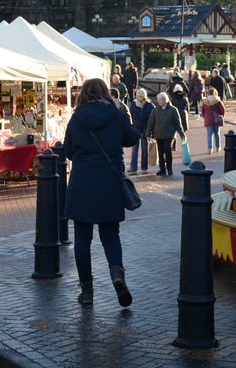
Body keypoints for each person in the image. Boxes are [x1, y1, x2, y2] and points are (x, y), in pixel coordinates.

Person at [63, 78, 139, 307]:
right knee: (110, 235)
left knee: (82, 240)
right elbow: (132, 138)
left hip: (82, 183)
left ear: (82, 94)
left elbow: (67, 150)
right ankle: (117, 274)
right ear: (105, 92)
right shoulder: (115, 115)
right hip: (109, 182)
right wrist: (120, 114)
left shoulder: (77, 117)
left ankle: (87, 291)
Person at [146, 92, 184, 177]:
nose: (159, 101)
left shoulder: (173, 110)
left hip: (169, 134)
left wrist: (181, 134)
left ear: (165, 100)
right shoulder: (155, 110)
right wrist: (148, 133)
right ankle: (162, 169)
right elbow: (151, 123)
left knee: (167, 149)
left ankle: (169, 168)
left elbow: (178, 123)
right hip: (158, 134)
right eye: (158, 99)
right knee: (160, 151)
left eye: (161, 100)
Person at [128, 88, 154, 174]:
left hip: (145, 130)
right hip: (135, 129)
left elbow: (152, 118)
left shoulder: (150, 105)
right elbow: (130, 116)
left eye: (141, 96)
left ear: (144, 97)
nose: (139, 98)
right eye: (138, 96)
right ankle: (133, 168)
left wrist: (150, 131)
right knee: (134, 150)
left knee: (144, 150)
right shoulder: (133, 105)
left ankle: (144, 167)